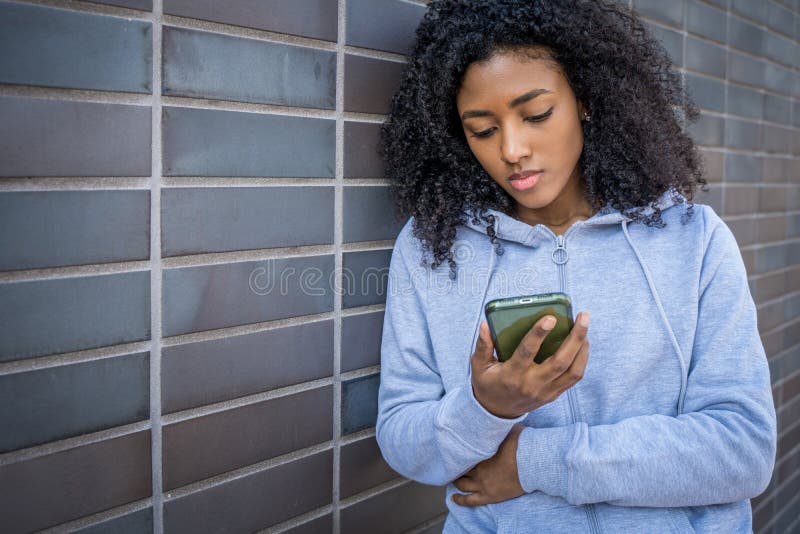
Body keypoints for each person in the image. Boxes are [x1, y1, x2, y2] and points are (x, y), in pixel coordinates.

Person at [375, 0, 778, 532]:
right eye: (482, 130)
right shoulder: (432, 247)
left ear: (585, 99)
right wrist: (484, 407)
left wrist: (536, 463)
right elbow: (403, 439)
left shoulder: (693, 240)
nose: (513, 149)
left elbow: (743, 450)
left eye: (536, 115)